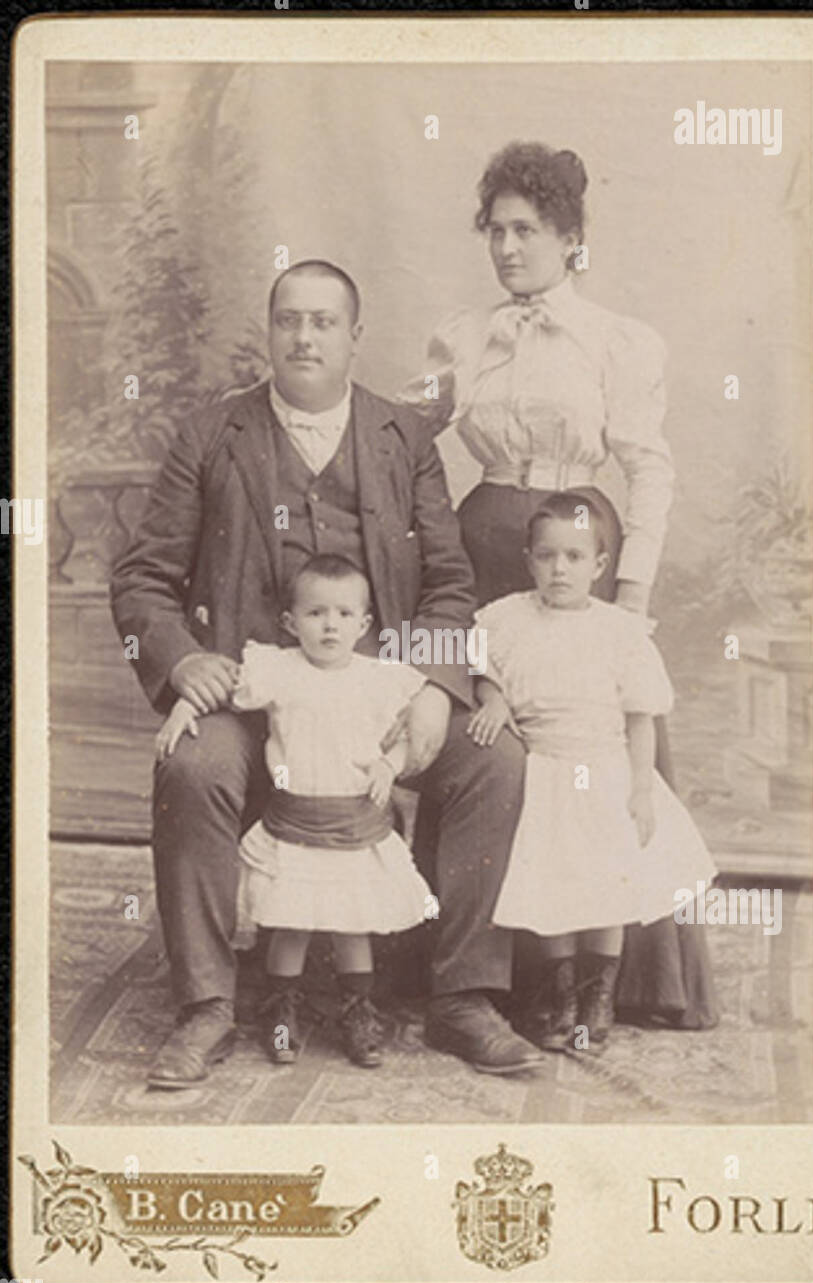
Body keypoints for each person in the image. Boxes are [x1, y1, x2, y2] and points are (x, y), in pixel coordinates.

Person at [111, 259, 544, 1089]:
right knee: (192, 765)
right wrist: (184, 658)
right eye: (288, 320)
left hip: (380, 690)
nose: (304, 336)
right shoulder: (210, 436)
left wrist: (429, 682)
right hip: (254, 693)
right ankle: (206, 1002)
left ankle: (463, 996)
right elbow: (142, 576)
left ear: (355, 337)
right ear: (270, 332)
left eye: (322, 322)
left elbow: (451, 580)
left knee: (494, 760)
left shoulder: (403, 439)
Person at [399, 141, 719, 1029]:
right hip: (482, 549)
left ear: (571, 238)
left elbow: (649, 469)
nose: (506, 248)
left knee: (591, 746)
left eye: (527, 230)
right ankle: (474, 976)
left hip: (575, 547)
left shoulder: (619, 340)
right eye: (494, 230)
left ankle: (603, 981)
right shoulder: (461, 336)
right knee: (499, 755)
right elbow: (403, 436)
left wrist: (633, 594)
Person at [154, 553, 433, 1070]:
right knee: (291, 923)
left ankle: (357, 1009)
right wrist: (183, 707)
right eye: (316, 613)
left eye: (345, 615)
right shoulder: (278, 670)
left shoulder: (379, 678)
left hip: (353, 822)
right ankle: (281, 1008)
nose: (330, 625)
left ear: (364, 624)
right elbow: (224, 692)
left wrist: (389, 768)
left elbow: (406, 733)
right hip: (296, 823)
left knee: (353, 925)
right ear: (290, 622)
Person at [468, 493, 716, 1047]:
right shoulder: (506, 619)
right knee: (556, 885)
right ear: (529, 558)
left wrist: (640, 792)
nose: (560, 569)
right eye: (548, 556)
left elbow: (641, 718)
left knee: (608, 882)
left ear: (600, 567)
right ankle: (561, 991)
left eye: (575, 557)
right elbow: (486, 672)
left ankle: (597, 991)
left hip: (604, 770)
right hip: (546, 771)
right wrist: (493, 699)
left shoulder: (619, 631)